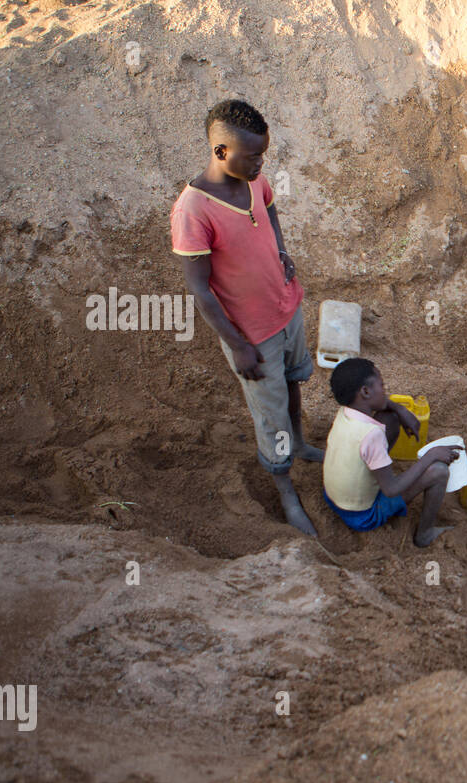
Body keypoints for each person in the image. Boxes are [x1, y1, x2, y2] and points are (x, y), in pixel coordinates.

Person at [172, 99, 322, 536]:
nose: (260, 164)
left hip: (285, 308)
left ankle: (298, 443)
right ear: (220, 152)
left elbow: (270, 208)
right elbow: (200, 289)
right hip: (251, 334)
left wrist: (281, 250)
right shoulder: (193, 210)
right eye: (252, 156)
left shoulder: (253, 179)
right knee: (269, 413)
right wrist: (238, 344)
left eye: (263, 155)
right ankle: (286, 489)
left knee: (294, 381)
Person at [323, 358, 459, 547]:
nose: (385, 390)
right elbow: (392, 489)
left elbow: (384, 406)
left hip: (334, 498)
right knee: (439, 471)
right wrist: (431, 455)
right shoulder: (371, 435)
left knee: (389, 417)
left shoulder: (345, 412)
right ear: (365, 391)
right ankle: (425, 534)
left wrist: (399, 408)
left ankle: (380, 470)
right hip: (362, 515)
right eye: (382, 385)